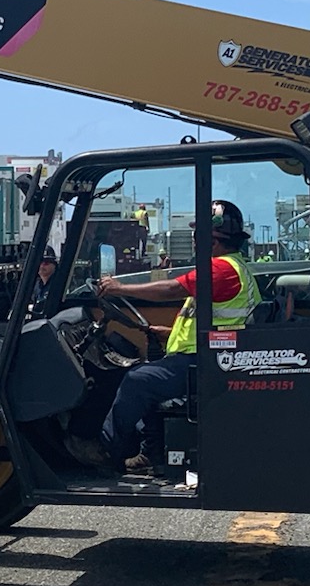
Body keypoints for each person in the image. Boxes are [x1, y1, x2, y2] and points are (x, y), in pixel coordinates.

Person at [84, 200, 259, 475]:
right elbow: (208, 318)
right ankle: (152, 453)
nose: (193, 241)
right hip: (209, 354)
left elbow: (171, 289)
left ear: (213, 240)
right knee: (147, 375)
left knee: (137, 380)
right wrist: (167, 333)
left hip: (209, 361)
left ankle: (105, 449)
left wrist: (120, 288)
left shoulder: (221, 269)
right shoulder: (232, 266)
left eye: (196, 236)